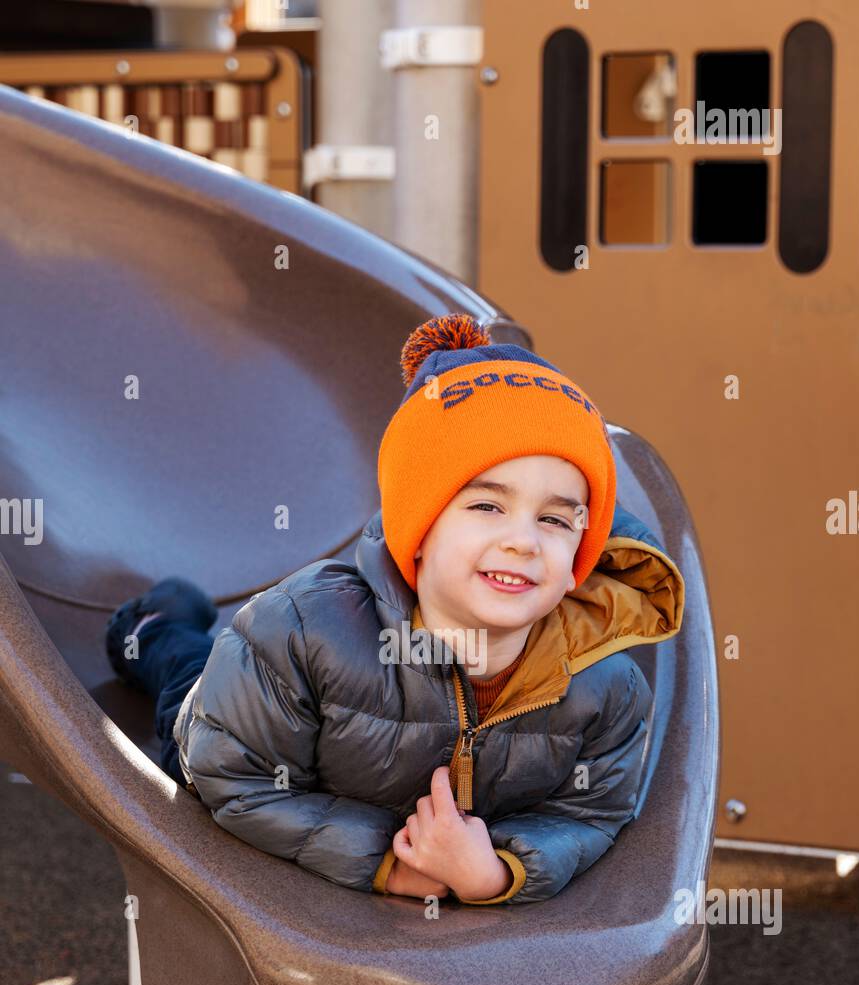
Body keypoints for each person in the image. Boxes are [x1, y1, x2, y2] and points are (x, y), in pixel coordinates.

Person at [105, 313, 685, 905]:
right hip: (227, 718)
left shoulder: (606, 687)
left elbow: (589, 815)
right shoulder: (297, 634)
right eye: (486, 506)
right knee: (185, 678)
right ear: (419, 528)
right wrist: (388, 862)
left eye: (555, 520)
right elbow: (233, 780)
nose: (523, 541)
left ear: (577, 564)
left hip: (298, 722)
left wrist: (496, 869)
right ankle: (155, 624)